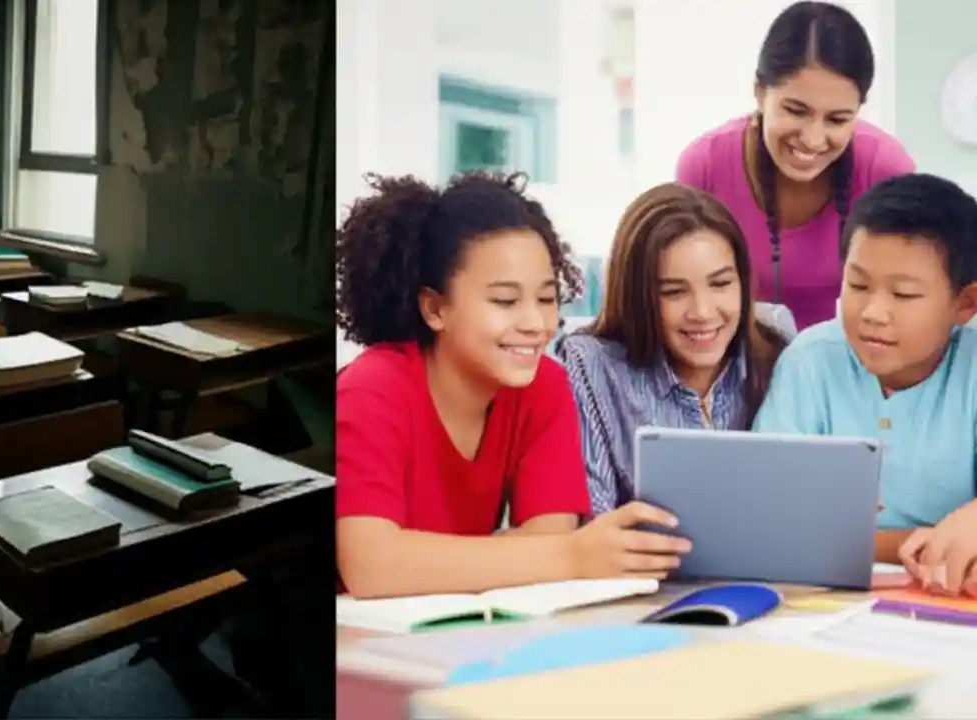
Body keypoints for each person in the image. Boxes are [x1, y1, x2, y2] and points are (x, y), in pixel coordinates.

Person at [335, 171, 691, 598]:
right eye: (505, 301)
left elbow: (547, 537)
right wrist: (573, 556)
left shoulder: (544, 384)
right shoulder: (372, 389)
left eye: (546, 298)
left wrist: (423, 560)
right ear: (434, 308)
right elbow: (372, 568)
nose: (535, 324)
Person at [752, 173, 977, 573]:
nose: (872, 313)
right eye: (857, 284)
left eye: (903, 294)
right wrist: (917, 544)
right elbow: (768, 518)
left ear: (966, 303)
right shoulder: (811, 360)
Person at [676, 0, 914, 330]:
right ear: (760, 93)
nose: (814, 139)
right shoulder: (704, 166)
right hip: (733, 366)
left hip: (855, 370)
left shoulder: (886, 170)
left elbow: (908, 305)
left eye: (837, 119)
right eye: (796, 111)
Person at [556, 184, 788, 516]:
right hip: (639, 568)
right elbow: (592, 524)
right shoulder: (591, 364)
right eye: (674, 292)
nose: (703, 312)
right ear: (638, 297)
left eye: (721, 284)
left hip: (771, 566)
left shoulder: (778, 347)